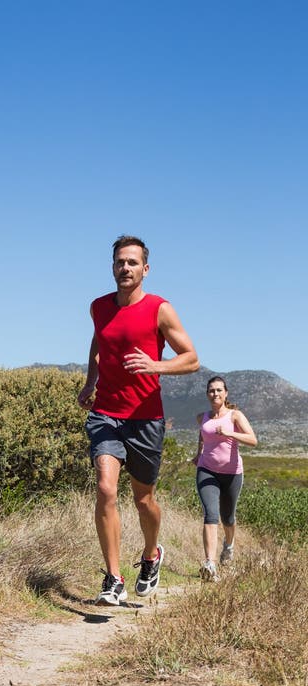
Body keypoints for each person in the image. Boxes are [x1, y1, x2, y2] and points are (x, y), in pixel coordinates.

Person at [77, 235, 199, 606]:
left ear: (145, 269)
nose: (125, 268)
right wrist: (91, 382)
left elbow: (191, 357)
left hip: (146, 417)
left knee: (144, 500)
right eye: (120, 262)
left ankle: (151, 554)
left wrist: (155, 365)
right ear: (112, 267)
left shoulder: (160, 309)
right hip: (107, 415)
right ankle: (113, 578)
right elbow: (99, 342)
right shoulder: (99, 307)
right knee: (105, 488)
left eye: (132, 262)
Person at [192, 375, 257, 581]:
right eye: (211, 390)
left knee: (227, 517)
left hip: (232, 474)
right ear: (207, 394)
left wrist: (230, 434)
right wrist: (198, 453)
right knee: (210, 514)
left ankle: (228, 547)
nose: (215, 394)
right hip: (206, 470)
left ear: (225, 393)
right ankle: (210, 564)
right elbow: (203, 434)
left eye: (219, 390)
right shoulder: (202, 417)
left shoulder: (235, 416)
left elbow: (253, 440)